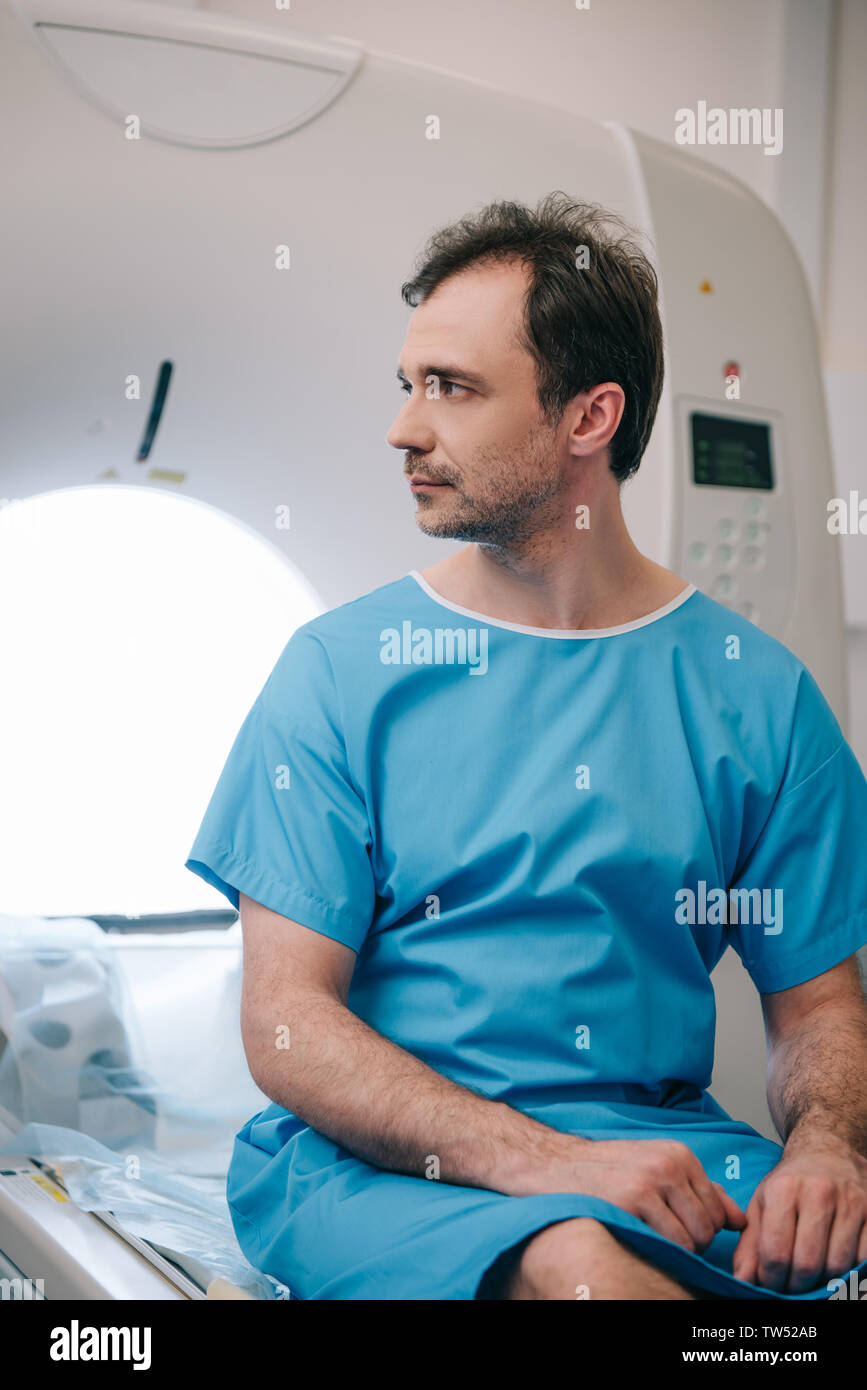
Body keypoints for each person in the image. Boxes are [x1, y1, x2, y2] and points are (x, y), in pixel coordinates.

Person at [185, 194, 867, 1300]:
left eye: (450, 388)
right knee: (579, 1262)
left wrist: (827, 1148)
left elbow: (822, 1008)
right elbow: (286, 1022)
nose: (405, 428)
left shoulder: (757, 696)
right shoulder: (341, 674)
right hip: (393, 1168)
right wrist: (557, 1165)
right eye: (408, 385)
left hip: (664, 1151)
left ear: (589, 417)